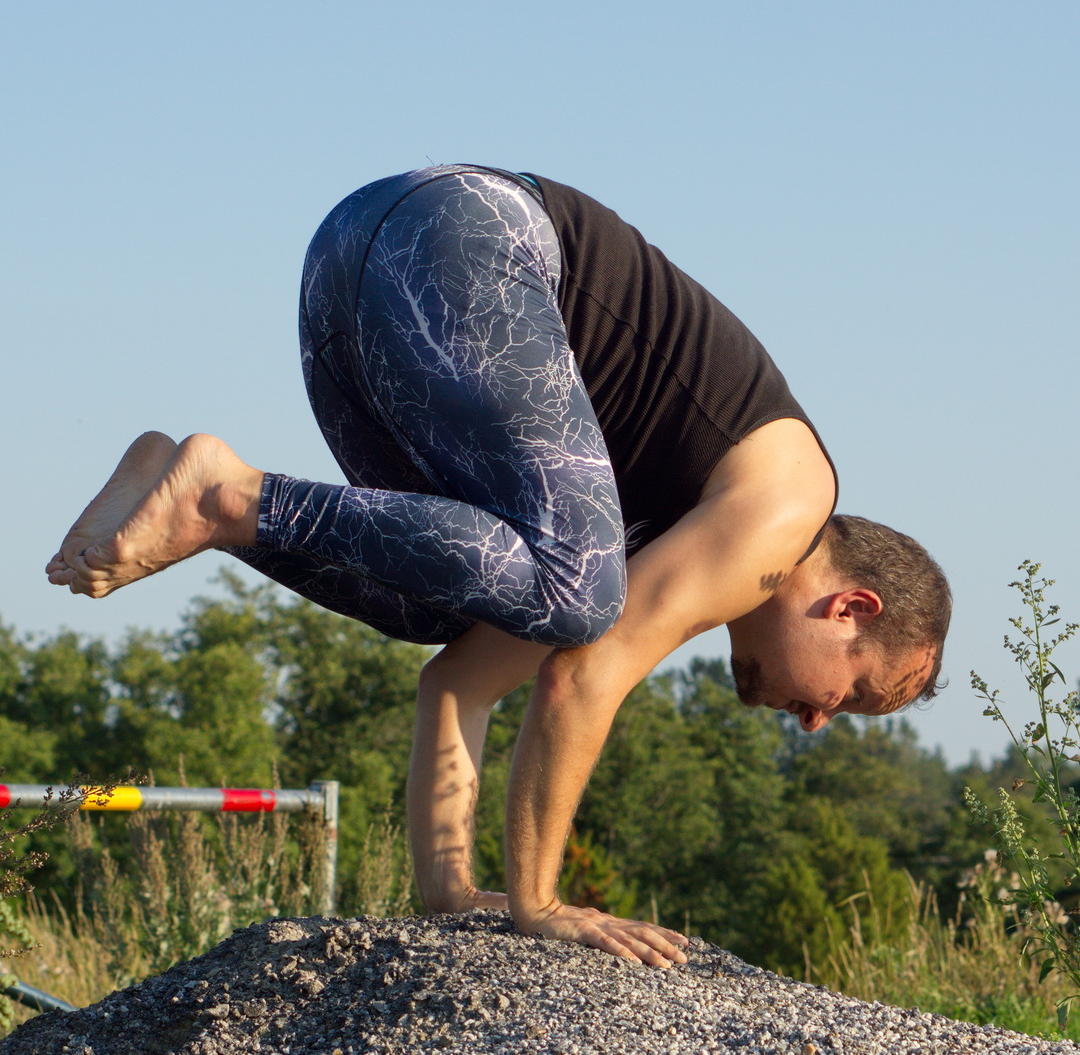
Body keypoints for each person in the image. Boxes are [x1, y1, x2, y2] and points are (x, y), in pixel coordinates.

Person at [47, 165, 951, 968]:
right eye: (851, 696)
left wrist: (450, 888)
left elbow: (457, 687)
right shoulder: (790, 503)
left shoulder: (652, 532)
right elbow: (583, 676)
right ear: (850, 608)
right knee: (578, 596)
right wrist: (538, 903)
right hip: (467, 242)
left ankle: (187, 492)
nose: (816, 722)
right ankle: (232, 498)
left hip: (351, 260)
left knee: (445, 598)